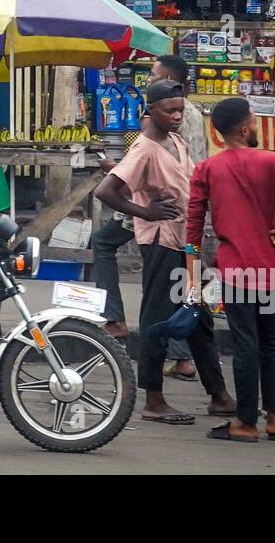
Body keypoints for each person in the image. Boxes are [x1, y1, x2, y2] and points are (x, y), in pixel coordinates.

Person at [94, 79, 235, 425]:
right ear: (151, 109)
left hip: (186, 241)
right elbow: (106, 191)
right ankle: (153, 398)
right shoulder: (144, 148)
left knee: (200, 316)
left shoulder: (176, 140)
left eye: (180, 110)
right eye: (169, 110)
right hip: (160, 241)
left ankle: (218, 395)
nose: (175, 115)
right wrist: (144, 211)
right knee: (157, 318)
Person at [187, 96, 275, 443]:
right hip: (269, 268)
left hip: (236, 271)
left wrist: (191, 272)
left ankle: (246, 422)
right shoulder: (272, 162)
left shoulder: (207, 169)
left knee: (246, 344)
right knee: (268, 342)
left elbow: (192, 226)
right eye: (254, 121)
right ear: (245, 128)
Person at [91, 54, 205, 371]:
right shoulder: (181, 117)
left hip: (163, 213)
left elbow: (164, 170)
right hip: (177, 216)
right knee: (178, 288)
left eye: (154, 76)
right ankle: (179, 359)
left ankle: (118, 323)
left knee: (165, 291)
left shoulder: (169, 120)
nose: (149, 81)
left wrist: (138, 200)